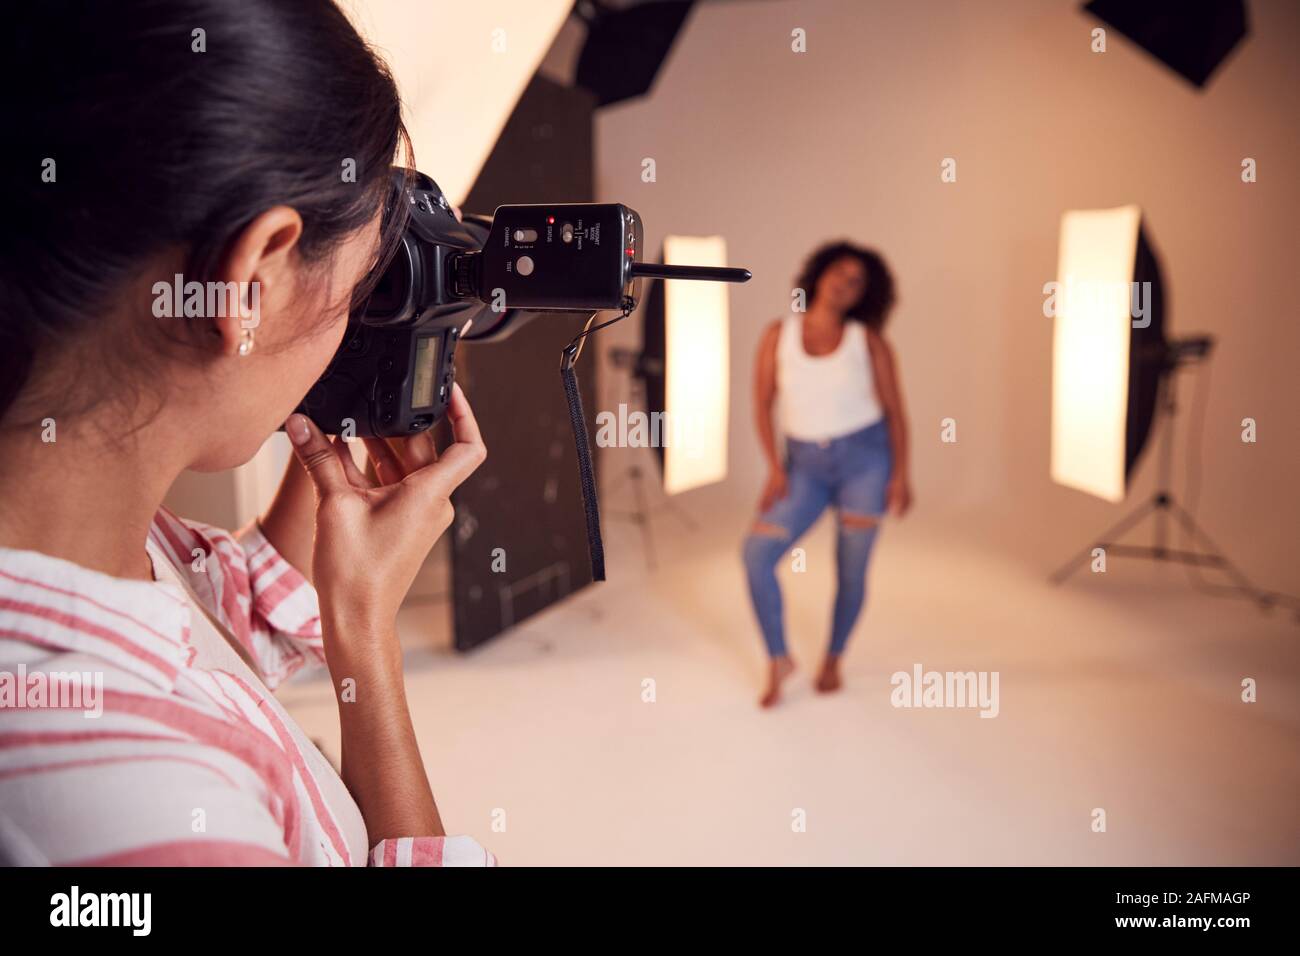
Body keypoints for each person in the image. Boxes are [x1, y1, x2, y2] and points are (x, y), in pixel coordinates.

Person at [0, 0, 493, 866]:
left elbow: (215, 626)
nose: (354, 318)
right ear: (249, 281)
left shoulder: (84, 525)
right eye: (354, 290)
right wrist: (366, 644)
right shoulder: (136, 810)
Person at [742, 242, 912, 707]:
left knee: (851, 568)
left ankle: (834, 656)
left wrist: (900, 476)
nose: (844, 283)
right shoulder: (779, 334)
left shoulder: (868, 341)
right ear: (818, 274)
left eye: (857, 281)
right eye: (839, 271)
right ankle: (779, 658)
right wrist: (775, 470)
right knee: (757, 554)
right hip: (804, 467)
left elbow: (896, 413)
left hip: (865, 461)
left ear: (864, 296)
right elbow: (761, 403)